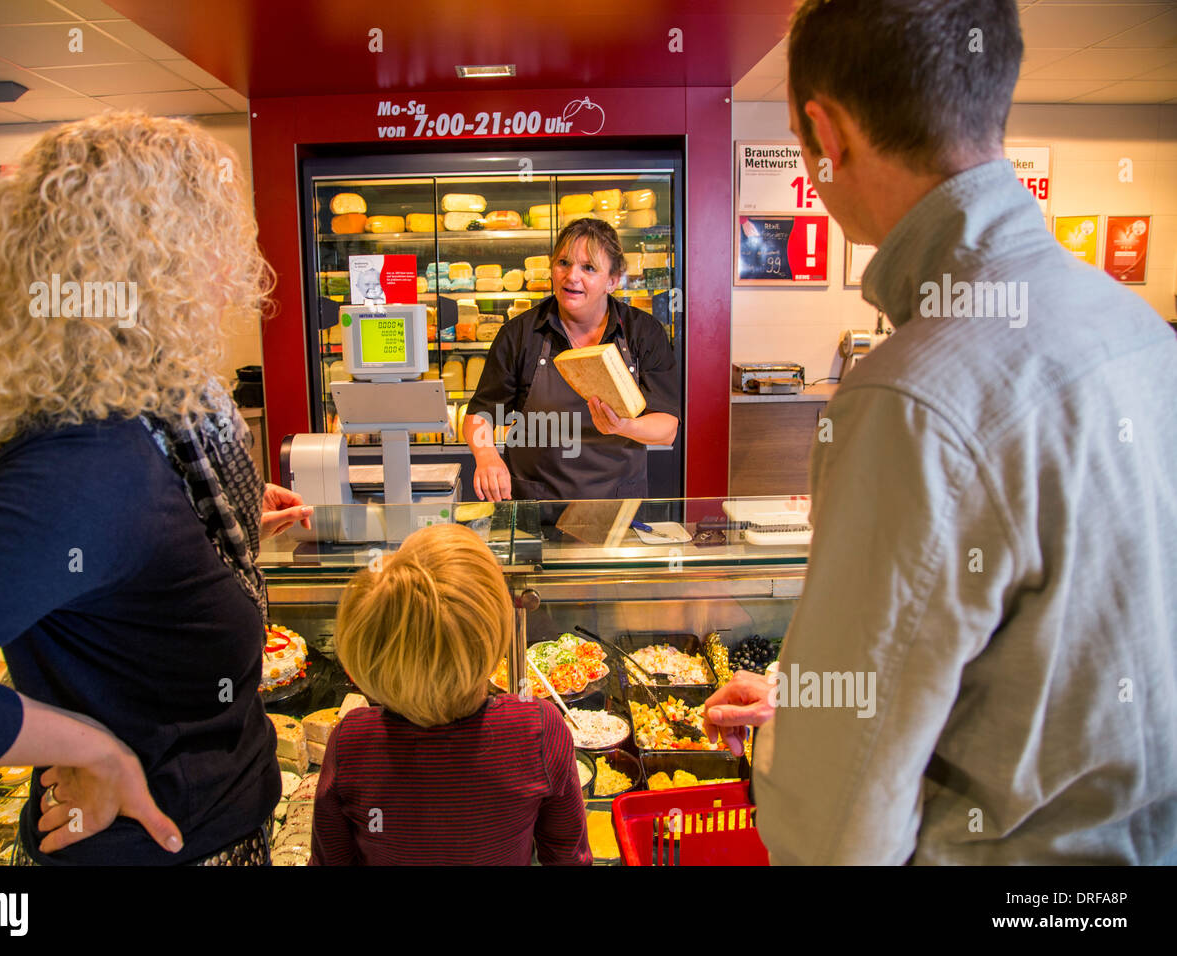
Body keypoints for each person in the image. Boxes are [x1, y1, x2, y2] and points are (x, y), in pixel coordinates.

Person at [705, 0, 1177, 865]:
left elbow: (837, 832)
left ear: (824, 132)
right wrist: (801, 698)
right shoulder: (1141, 331)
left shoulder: (911, 399)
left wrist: (792, 744)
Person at [0, 111, 300, 865]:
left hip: (216, 815)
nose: (233, 260)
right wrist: (91, 751)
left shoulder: (156, 415)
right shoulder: (91, 467)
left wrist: (185, 554)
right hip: (155, 844)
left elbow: (120, 570)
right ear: (148, 259)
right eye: (210, 232)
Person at [311, 523, 591, 865]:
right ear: (495, 639)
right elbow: (568, 858)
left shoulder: (350, 742)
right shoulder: (539, 729)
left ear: (363, 661)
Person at [463, 218, 680, 501]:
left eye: (588, 268)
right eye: (563, 263)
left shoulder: (643, 332)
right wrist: (487, 456)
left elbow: (666, 429)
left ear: (612, 281)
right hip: (537, 504)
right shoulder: (520, 334)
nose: (572, 276)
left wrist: (625, 427)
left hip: (616, 502)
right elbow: (480, 415)